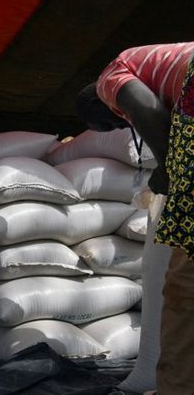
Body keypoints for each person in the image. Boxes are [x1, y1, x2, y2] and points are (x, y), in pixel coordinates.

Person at [76, 42, 194, 394]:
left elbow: (147, 109)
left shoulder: (109, 78)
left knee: (184, 284)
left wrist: (169, 170)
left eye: (115, 120)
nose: (121, 122)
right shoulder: (152, 62)